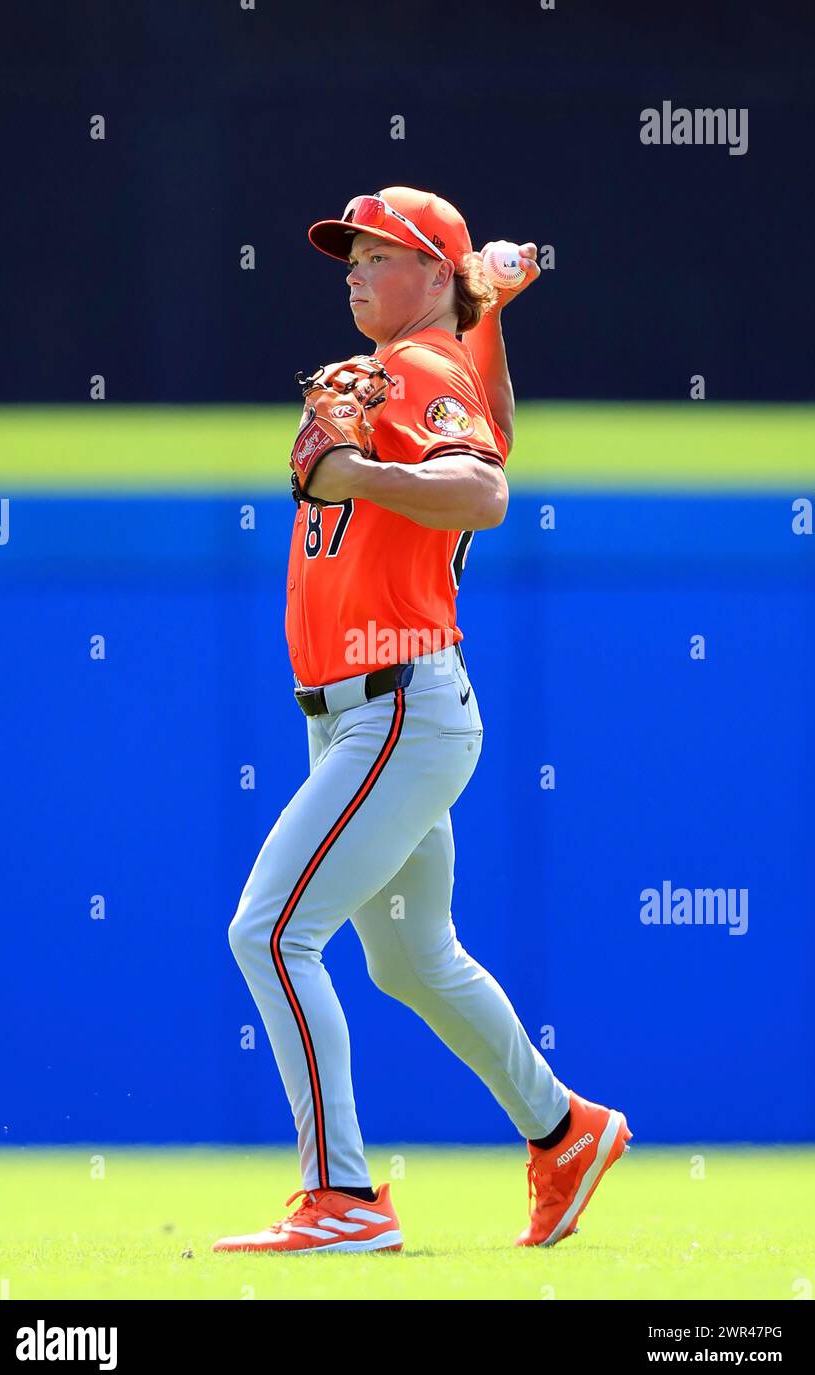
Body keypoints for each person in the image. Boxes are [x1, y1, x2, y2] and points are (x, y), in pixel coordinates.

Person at [213, 187, 631, 1256]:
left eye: (376, 255)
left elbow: (480, 488)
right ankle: (561, 1129)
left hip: (394, 708)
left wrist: (347, 465)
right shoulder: (430, 361)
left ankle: (340, 1198)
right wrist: (483, 313)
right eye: (344, 258)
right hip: (373, 710)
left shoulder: (415, 368)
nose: (350, 271)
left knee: (269, 931)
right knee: (410, 960)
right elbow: (481, 435)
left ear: (433, 272)